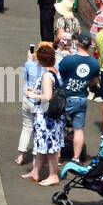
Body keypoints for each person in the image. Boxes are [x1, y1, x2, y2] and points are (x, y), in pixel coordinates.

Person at [22, 42, 63, 186]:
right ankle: (35, 171)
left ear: (41, 60)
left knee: (50, 147)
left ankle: (53, 175)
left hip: (46, 117)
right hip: (53, 116)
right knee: (42, 145)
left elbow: (47, 96)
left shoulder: (46, 75)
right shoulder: (55, 72)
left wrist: (33, 95)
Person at [58, 31, 100, 163]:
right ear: (90, 45)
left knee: (59, 126)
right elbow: (95, 81)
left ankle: (57, 156)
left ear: (77, 43)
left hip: (66, 97)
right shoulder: (94, 63)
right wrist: (85, 83)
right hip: (81, 98)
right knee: (78, 129)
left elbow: (60, 77)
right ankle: (76, 158)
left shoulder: (68, 60)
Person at [15, 44, 42, 166]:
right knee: (38, 131)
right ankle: (36, 159)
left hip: (28, 98)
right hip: (42, 102)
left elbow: (24, 77)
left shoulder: (29, 65)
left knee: (26, 128)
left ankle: (21, 156)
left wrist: (29, 60)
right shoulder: (52, 68)